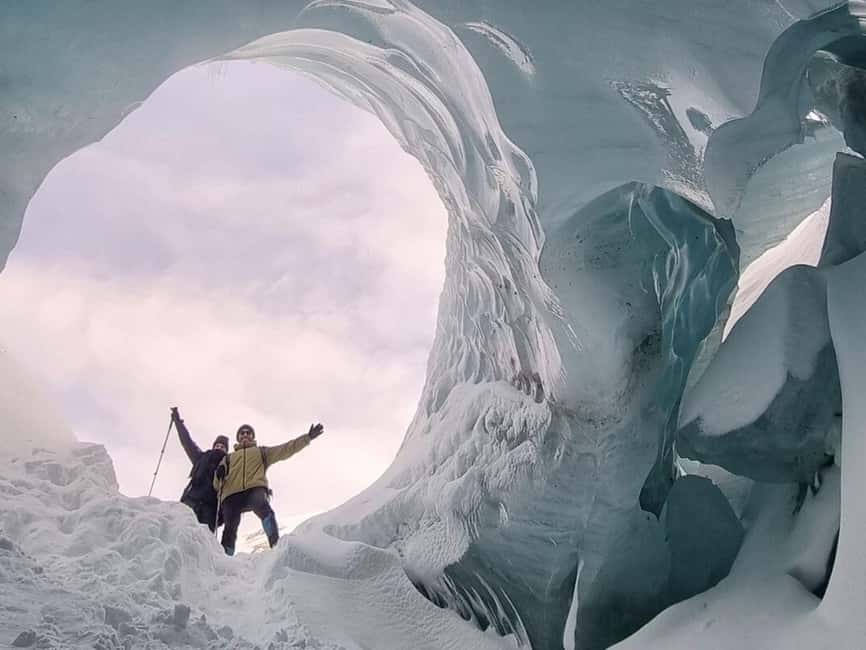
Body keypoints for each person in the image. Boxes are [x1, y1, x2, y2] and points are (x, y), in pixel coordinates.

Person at [214, 422, 324, 556]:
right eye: (242, 433)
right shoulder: (228, 458)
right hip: (231, 494)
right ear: (238, 437)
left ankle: (276, 548)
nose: (245, 435)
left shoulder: (261, 452)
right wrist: (219, 473)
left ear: (252, 437)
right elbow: (216, 483)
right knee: (230, 526)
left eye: (248, 433)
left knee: (265, 511)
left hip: (254, 488)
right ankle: (226, 557)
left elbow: (285, 449)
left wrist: (307, 438)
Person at [171, 407, 228, 532]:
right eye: (217, 445)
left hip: (210, 511)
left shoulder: (229, 466)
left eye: (222, 447)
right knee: (179, 533)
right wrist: (178, 421)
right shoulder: (201, 458)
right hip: (191, 502)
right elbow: (187, 442)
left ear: (226, 450)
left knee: (200, 545)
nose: (219, 448)